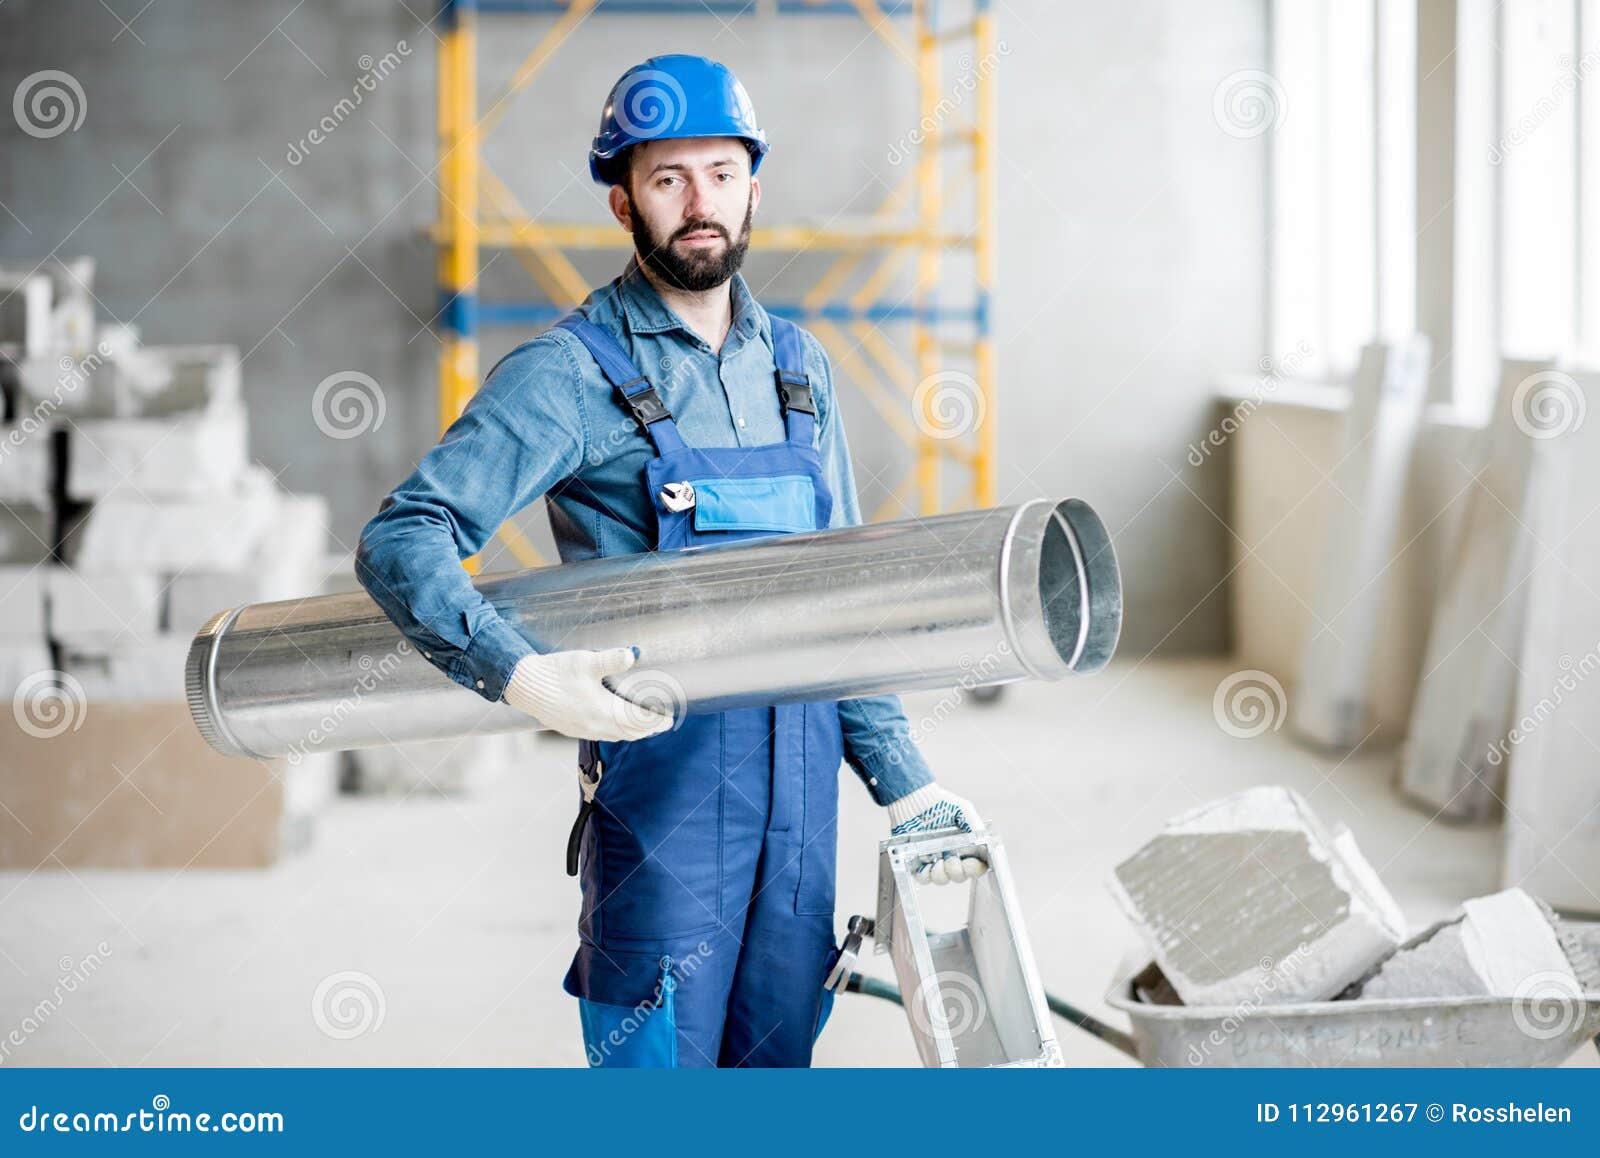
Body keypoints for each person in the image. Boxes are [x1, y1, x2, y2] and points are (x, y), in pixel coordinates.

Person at [356, 54, 984, 1068]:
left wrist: (905, 784)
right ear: (621, 200)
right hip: (667, 817)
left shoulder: (798, 367)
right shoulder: (568, 373)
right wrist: (514, 669)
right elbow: (404, 533)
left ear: (752, 188)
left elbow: (842, 602)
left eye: (721, 175)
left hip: (801, 814)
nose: (700, 204)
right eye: (667, 180)